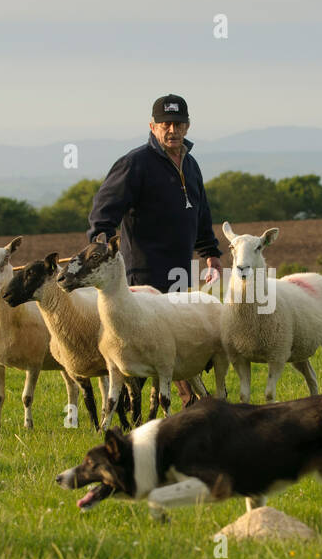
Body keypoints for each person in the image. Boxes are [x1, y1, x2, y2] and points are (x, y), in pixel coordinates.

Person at [87, 94, 223, 403]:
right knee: (139, 343)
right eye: (165, 124)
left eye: (178, 124)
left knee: (176, 340)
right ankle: (142, 409)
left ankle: (189, 404)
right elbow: (103, 210)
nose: (172, 130)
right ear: (152, 126)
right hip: (142, 272)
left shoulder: (191, 164)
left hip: (180, 271)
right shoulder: (135, 163)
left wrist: (211, 254)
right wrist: (99, 244)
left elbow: (201, 214)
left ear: (187, 127)